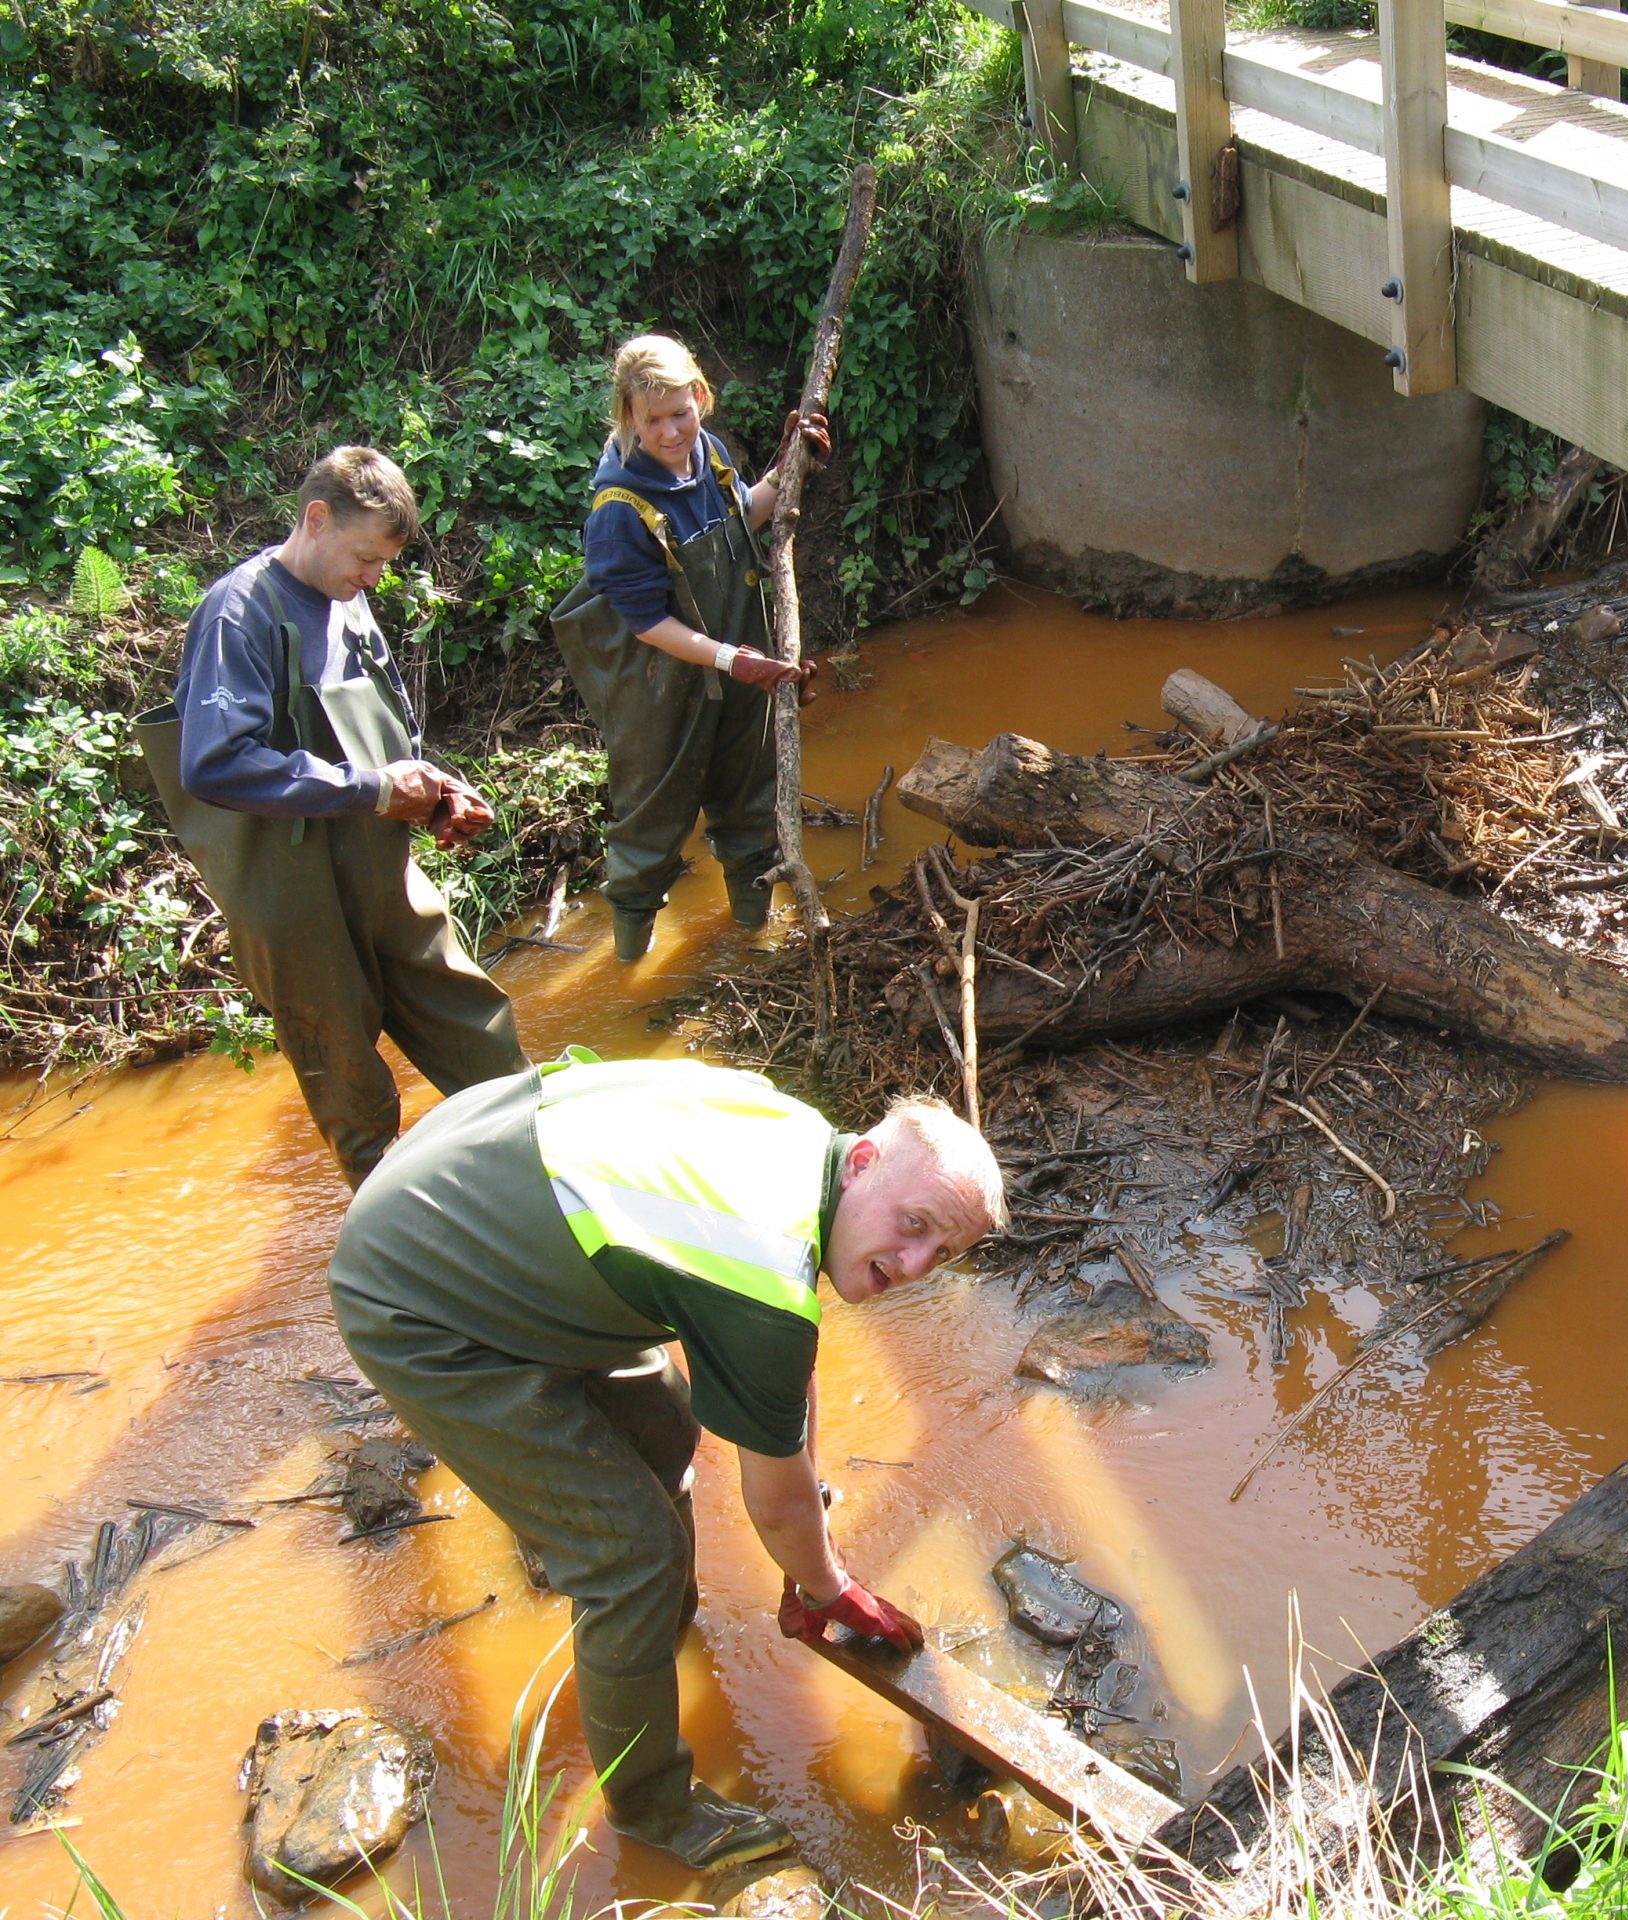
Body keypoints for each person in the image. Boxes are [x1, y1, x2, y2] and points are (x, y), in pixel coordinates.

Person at [329, 1050, 1007, 1872]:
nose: (912, 1266)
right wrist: (829, 1585)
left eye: (942, 1255)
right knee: (632, 1558)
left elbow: (784, 1368)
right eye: (915, 1225)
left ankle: (644, 1639)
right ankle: (652, 1807)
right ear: (865, 1161)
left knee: (666, 1430)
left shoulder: (797, 1140)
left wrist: (807, 1545)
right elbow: (782, 1499)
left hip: (469, 1188)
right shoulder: (762, 1265)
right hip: (420, 1297)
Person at [140, 447, 529, 1188]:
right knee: (354, 1100)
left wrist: (436, 790)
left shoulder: (348, 597)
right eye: (364, 557)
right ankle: (398, 1261)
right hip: (294, 900)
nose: (374, 578)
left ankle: (542, 1197)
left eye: (383, 563)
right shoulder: (240, 612)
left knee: (487, 1046)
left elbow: (382, 736)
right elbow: (215, 762)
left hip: (381, 875)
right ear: (316, 520)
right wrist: (378, 790)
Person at [551, 333, 828, 963]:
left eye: (681, 412)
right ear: (628, 416)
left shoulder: (710, 454)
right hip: (661, 688)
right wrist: (735, 659)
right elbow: (646, 622)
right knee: (651, 823)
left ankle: (755, 937)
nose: (671, 431)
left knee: (750, 799)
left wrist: (792, 466)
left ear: (700, 397)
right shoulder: (619, 506)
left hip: (736, 668)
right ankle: (627, 965)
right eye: (653, 421)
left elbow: (741, 519)